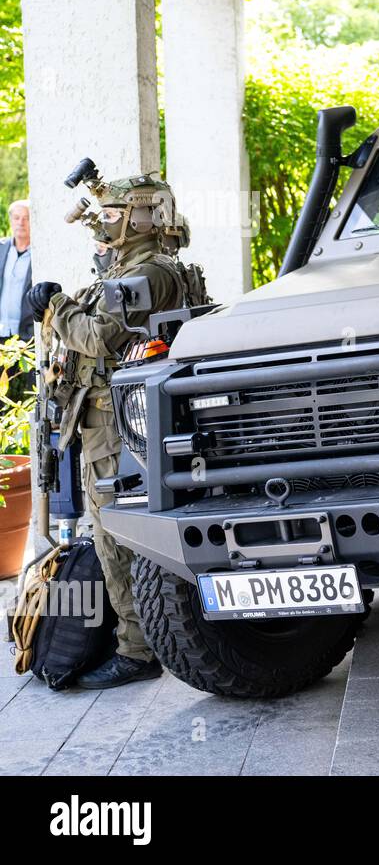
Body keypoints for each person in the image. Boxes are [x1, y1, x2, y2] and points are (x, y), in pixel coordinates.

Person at [26, 171, 202, 689]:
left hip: (115, 423)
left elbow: (98, 337)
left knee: (113, 538)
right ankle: (137, 636)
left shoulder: (150, 273)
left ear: (141, 218)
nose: (101, 226)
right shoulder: (137, 266)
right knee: (109, 534)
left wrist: (56, 306)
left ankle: (138, 650)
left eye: (111, 216)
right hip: (109, 417)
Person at [1, 199, 34, 340]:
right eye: (16, 218)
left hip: (25, 338)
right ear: (10, 220)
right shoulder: (1, 248)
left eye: (26, 218)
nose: (21, 222)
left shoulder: (39, 255)